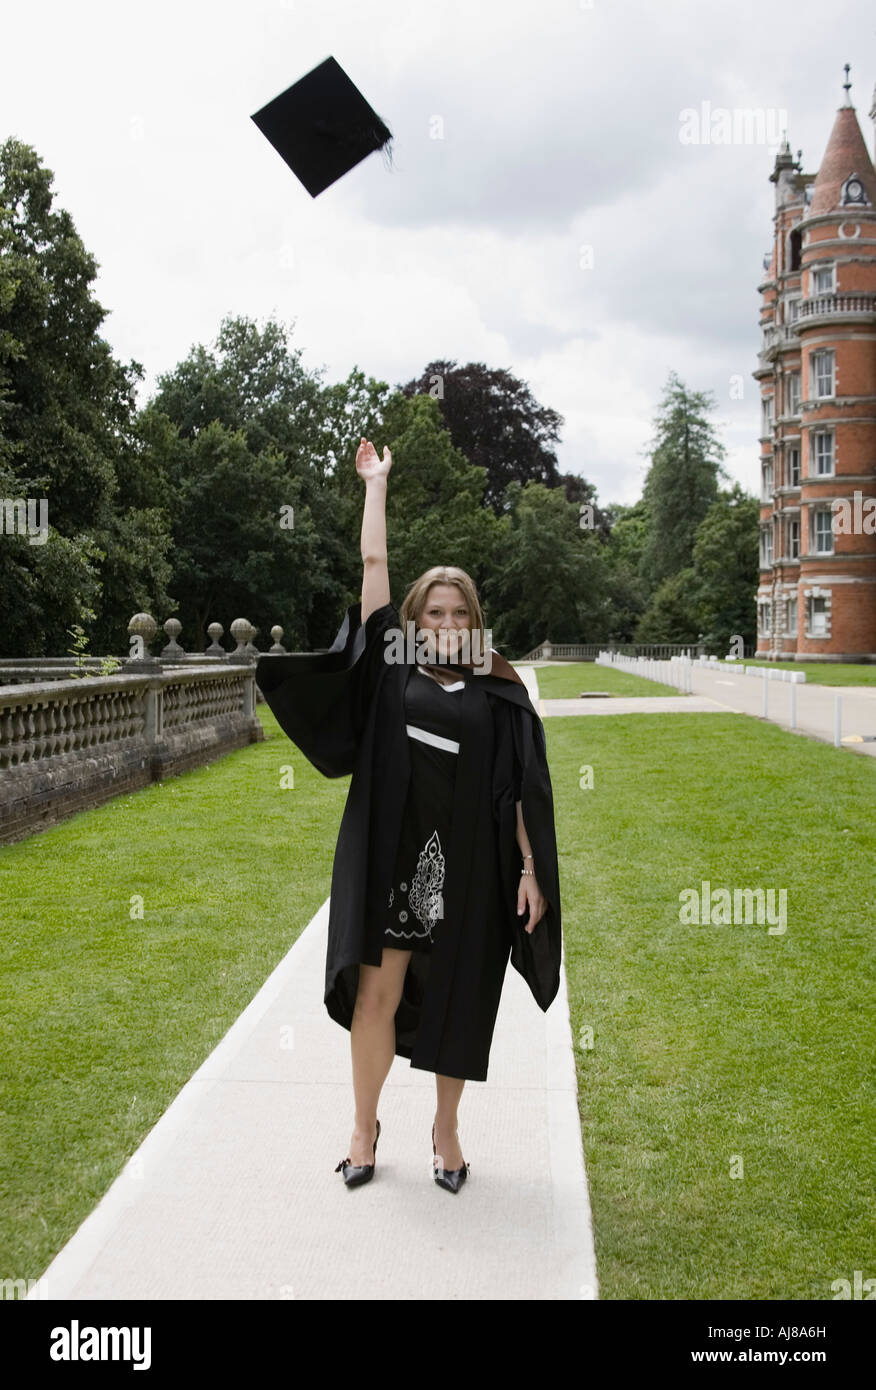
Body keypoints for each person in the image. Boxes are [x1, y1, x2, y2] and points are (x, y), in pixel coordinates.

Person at [255, 437, 563, 1195]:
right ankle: (364, 1128)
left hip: (469, 868)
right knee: (377, 997)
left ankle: (447, 1129)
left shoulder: (497, 689)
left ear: (474, 619)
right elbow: (372, 571)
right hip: (393, 861)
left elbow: (522, 787)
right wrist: (375, 487)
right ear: (417, 617)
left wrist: (530, 871)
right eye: (435, 608)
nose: (448, 619)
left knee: (458, 1001)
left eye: (460, 610)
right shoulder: (392, 665)